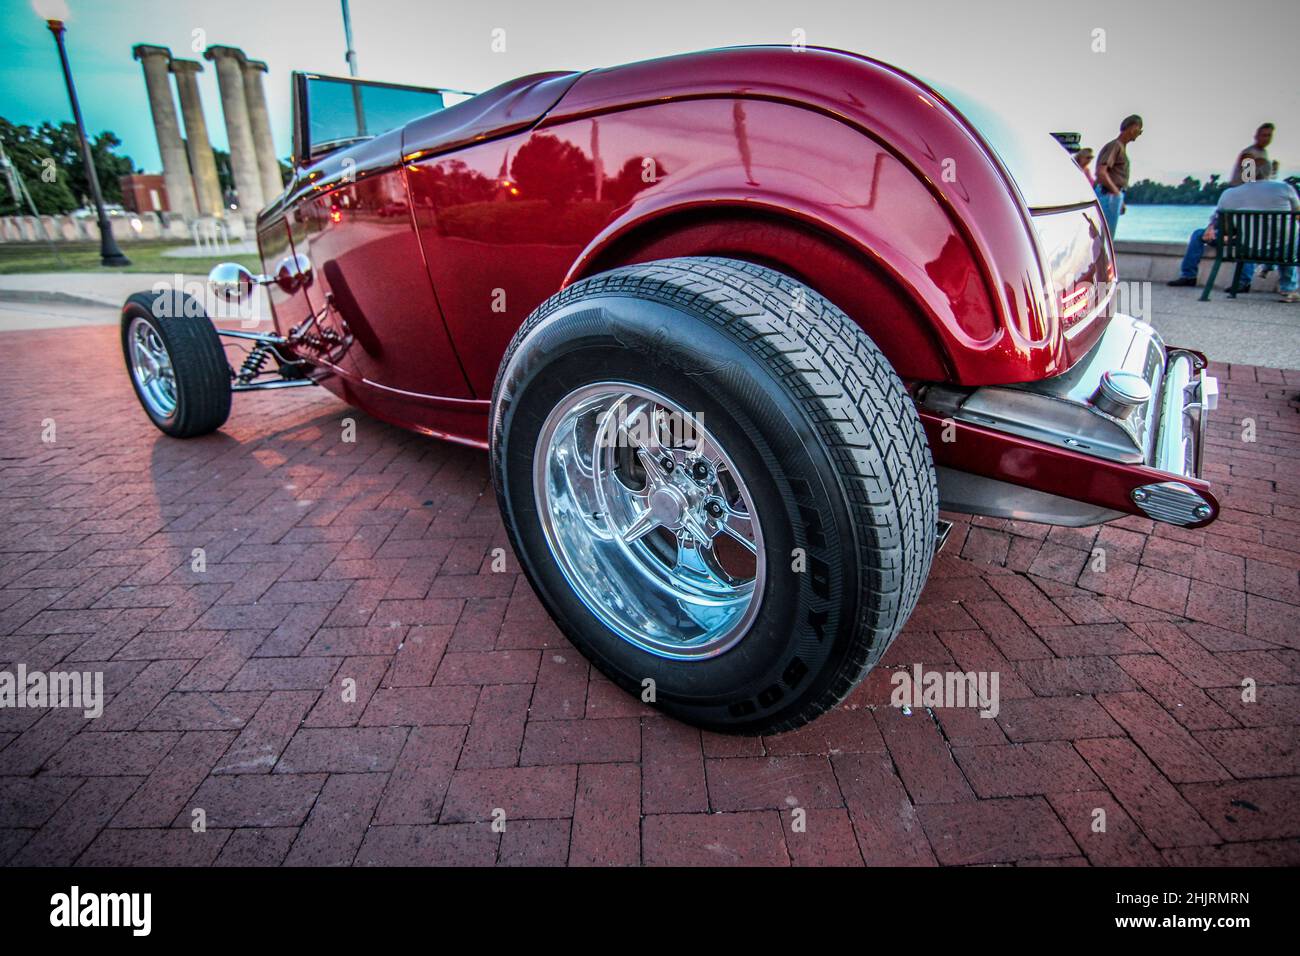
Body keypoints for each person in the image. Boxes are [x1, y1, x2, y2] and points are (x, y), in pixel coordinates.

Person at [1168, 161, 1299, 302]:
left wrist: (1214, 228)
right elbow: (1297, 214)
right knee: (1291, 235)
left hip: (1247, 247)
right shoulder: (1285, 189)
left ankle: (1260, 271)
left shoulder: (1229, 194)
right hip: (1281, 251)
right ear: (1270, 172)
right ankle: (1287, 287)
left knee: (1256, 239)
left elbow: (1220, 220)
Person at [1095, 115, 1143, 237]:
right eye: (1140, 130)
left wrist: (1120, 199)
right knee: (1105, 238)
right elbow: (1101, 172)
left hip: (1112, 195)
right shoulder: (1115, 146)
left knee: (1107, 238)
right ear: (1132, 128)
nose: (1139, 134)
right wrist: (1116, 193)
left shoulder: (1120, 147)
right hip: (1108, 195)